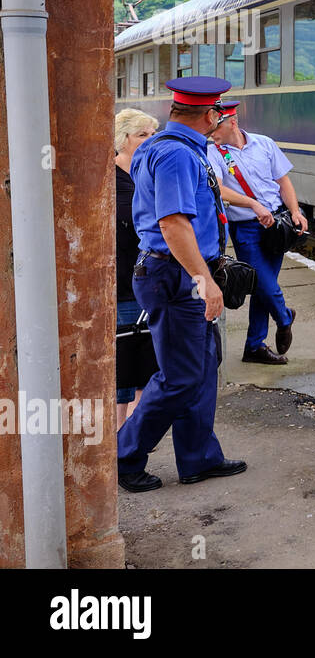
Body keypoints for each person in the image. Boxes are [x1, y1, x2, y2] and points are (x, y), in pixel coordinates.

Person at [118, 77, 246, 492]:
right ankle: (123, 458)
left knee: (203, 368)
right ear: (209, 116)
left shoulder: (166, 147)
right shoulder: (175, 154)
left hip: (177, 273)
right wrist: (204, 280)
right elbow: (173, 224)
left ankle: (199, 458)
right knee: (180, 377)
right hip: (176, 276)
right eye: (219, 114)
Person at [206, 100, 307, 364]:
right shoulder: (214, 152)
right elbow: (219, 189)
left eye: (216, 126)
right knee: (263, 283)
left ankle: (254, 347)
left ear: (232, 122)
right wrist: (252, 203)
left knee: (263, 287)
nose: (211, 131)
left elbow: (283, 181)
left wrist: (295, 211)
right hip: (246, 227)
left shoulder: (264, 143)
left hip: (275, 225)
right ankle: (284, 317)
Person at [114, 108, 159, 429]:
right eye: (142, 134)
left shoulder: (148, 174)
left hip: (149, 278)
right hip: (123, 279)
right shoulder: (112, 180)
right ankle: (119, 431)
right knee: (125, 358)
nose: (149, 140)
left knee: (148, 357)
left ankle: (138, 427)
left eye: (152, 134)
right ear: (123, 139)